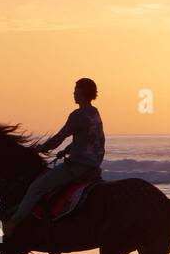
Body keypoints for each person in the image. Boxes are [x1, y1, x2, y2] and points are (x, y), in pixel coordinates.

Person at [7, 78, 105, 234]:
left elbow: (60, 137)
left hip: (78, 166)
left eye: (76, 89)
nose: (73, 93)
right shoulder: (94, 112)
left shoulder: (77, 115)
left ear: (83, 92)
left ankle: (12, 224)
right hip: (93, 165)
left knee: (36, 187)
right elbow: (91, 138)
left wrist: (41, 148)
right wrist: (67, 150)